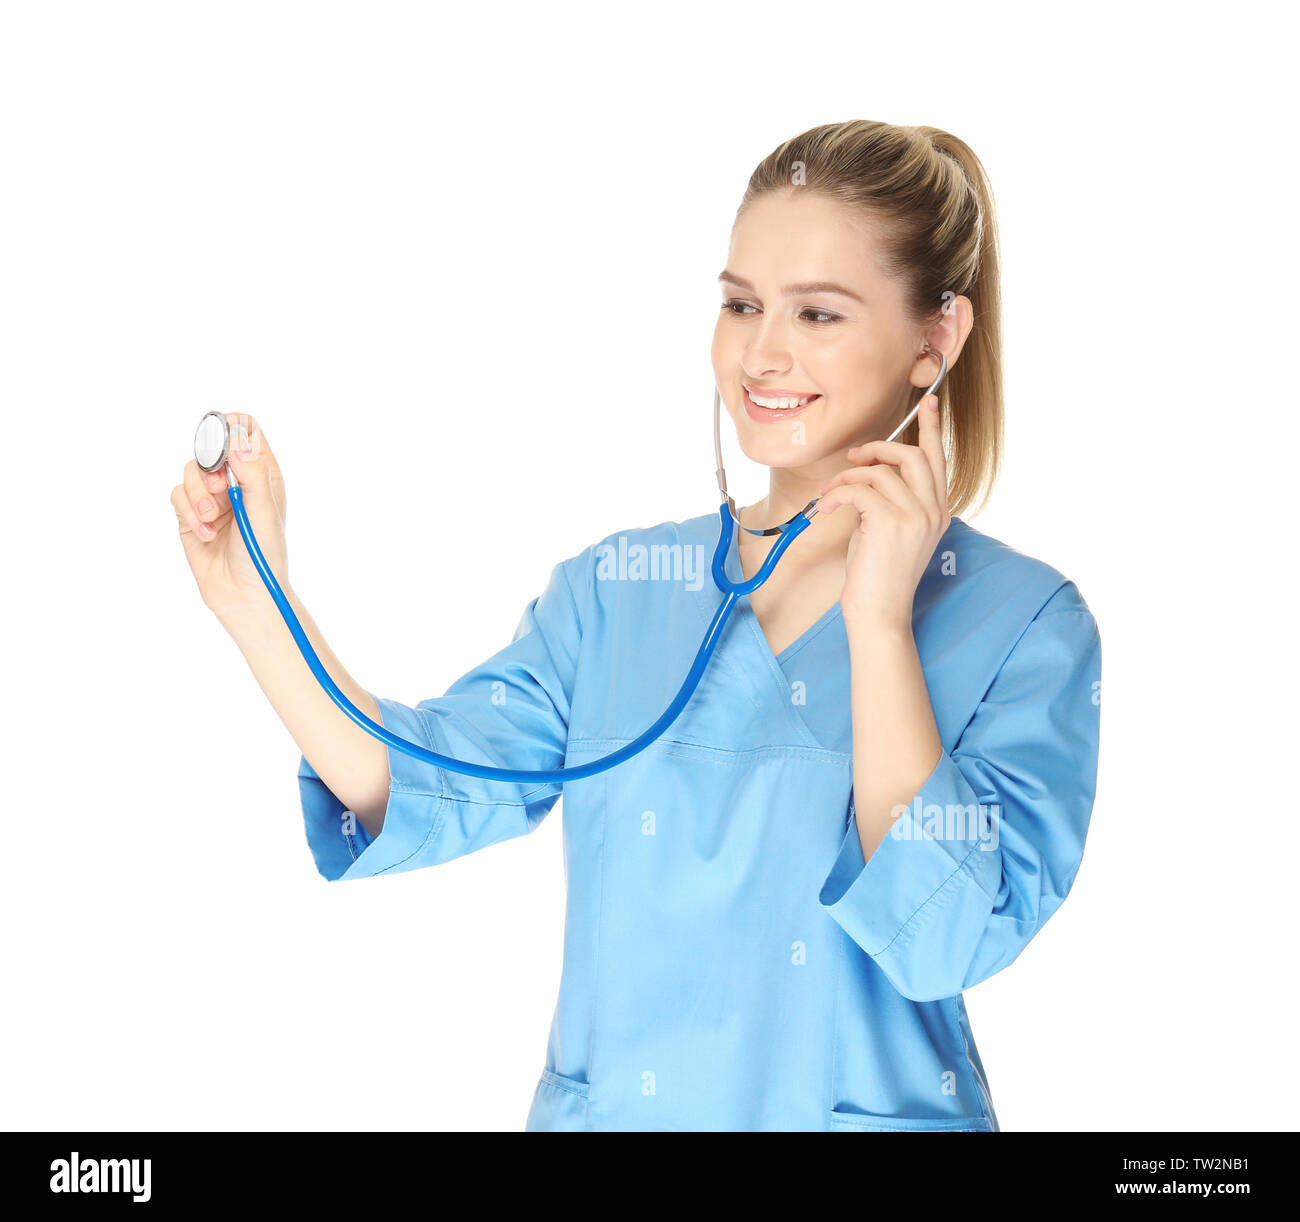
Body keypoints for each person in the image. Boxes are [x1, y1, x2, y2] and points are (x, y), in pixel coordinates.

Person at [172, 119, 1102, 1132]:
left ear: (936, 341)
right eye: (740, 303)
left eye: (818, 313)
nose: (761, 350)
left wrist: (878, 621)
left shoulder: (1023, 626)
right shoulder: (618, 592)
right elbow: (421, 781)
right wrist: (253, 603)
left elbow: (944, 941)